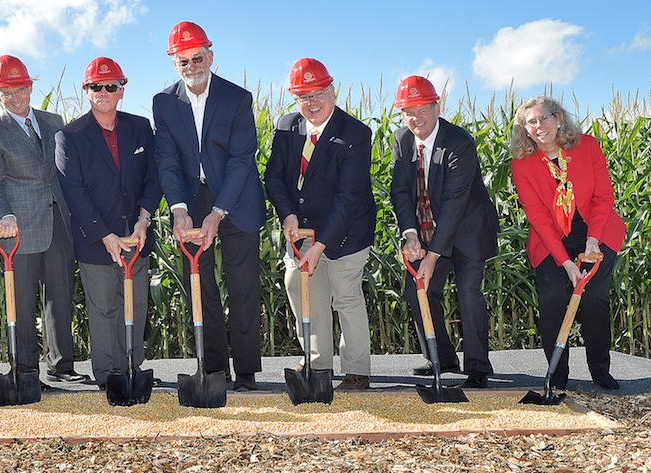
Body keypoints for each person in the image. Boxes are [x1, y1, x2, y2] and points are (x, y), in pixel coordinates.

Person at [153, 21, 266, 391]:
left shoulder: (237, 98)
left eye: (197, 58)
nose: (191, 66)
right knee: (199, 283)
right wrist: (179, 208)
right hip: (191, 198)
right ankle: (214, 366)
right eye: (182, 61)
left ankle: (247, 369)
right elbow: (167, 160)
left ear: (210, 56)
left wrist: (217, 213)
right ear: (174, 64)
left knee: (242, 283)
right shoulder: (164, 102)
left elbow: (241, 160)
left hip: (237, 198)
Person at [263, 58, 376, 391]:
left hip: (347, 230)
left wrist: (321, 247)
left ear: (332, 91)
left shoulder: (355, 134)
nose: (310, 103)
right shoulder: (286, 126)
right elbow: (274, 177)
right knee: (301, 287)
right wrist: (288, 215)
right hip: (301, 229)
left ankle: (357, 370)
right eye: (302, 96)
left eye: (317, 94)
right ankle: (318, 362)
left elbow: (348, 197)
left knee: (345, 296)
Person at [0, 55, 87, 384]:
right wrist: (3, 215)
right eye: (6, 92)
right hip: (18, 229)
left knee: (61, 298)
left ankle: (62, 366)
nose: (14, 97)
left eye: (19, 89)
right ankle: (24, 371)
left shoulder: (54, 121)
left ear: (30, 87)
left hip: (60, 224)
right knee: (22, 304)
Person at [55, 57, 161, 389]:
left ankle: (134, 368)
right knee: (103, 310)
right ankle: (108, 376)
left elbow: (154, 177)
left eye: (110, 86)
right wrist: (105, 235)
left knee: (136, 304)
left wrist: (144, 220)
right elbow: (74, 191)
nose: (104, 91)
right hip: (96, 240)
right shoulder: (70, 136)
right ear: (86, 91)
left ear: (121, 91)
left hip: (137, 236)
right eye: (96, 86)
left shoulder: (141, 127)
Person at [389, 75, 499, 388]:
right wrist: (410, 233)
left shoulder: (459, 143)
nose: (415, 118)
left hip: (467, 232)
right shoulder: (402, 140)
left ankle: (478, 366)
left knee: (468, 292)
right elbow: (399, 190)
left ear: (437, 107)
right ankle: (442, 357)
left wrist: (433, 255)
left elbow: (454, 203)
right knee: (418, 291)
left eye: (422, 110)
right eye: (408, 112)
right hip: (424, 230)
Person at [509, 96, 625, 390]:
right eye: (531, 122)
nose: (539, 126)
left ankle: (599, 369)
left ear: (558, 118)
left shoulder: (587, 146)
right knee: (552, 298)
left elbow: (603, 198)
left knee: (594, 297)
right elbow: (537, 217)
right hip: (551, 238)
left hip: (595, 230)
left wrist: (592, 241)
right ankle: (557, 373)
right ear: (525, 129)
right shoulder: (522, 164)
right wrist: (565, 262)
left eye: (544, 118)